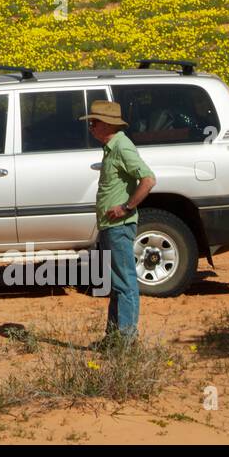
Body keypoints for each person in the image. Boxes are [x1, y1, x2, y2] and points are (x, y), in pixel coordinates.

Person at [81, 99, 156, 346]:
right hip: (110, 227)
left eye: (94, 122)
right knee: (118, 283)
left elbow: (148, 179)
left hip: (119, 227)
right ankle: (115, 338)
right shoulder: (112, 147)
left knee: (124, 284)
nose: (91, 127)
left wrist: (126, 207)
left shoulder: (122, 147)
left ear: (108, 124)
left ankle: (125, 340)